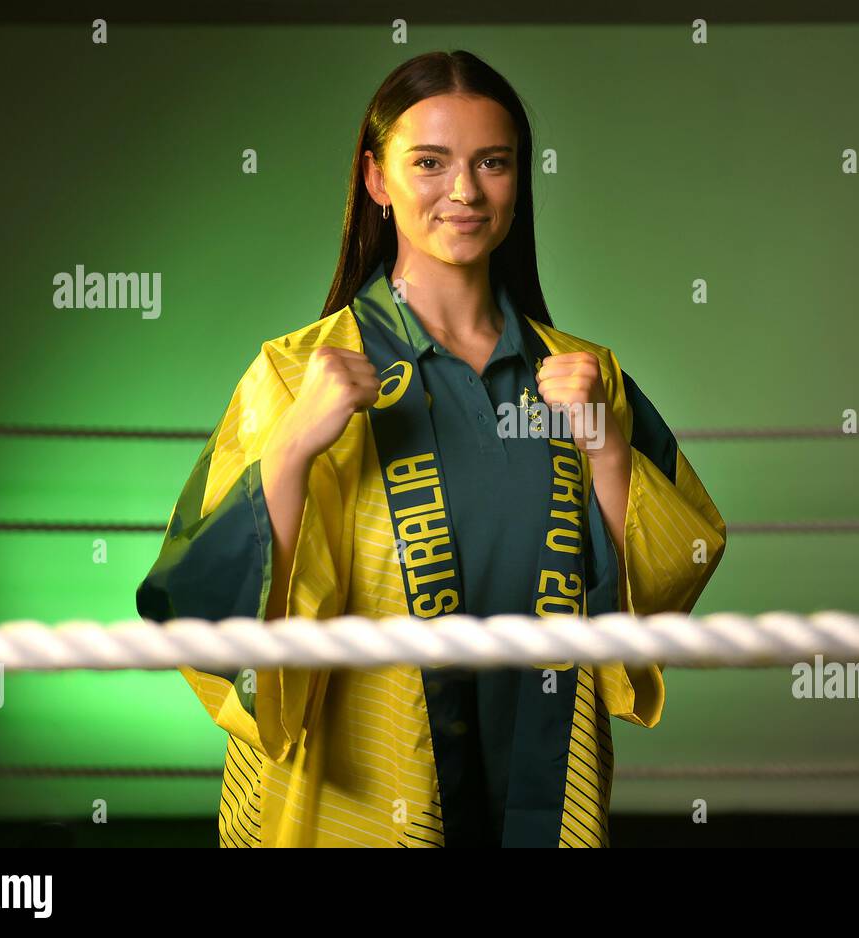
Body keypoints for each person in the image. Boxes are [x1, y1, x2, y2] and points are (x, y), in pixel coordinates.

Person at [135, 49, 726, 848]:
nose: (464, 192)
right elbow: (199, 606)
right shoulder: (292, 373)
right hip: (360, 796)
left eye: (493, 163)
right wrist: (290, 452)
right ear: (376, 180)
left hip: (540, 784)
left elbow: (674, 570)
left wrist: (609, 451)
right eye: (429, 163)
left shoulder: (585, 377)